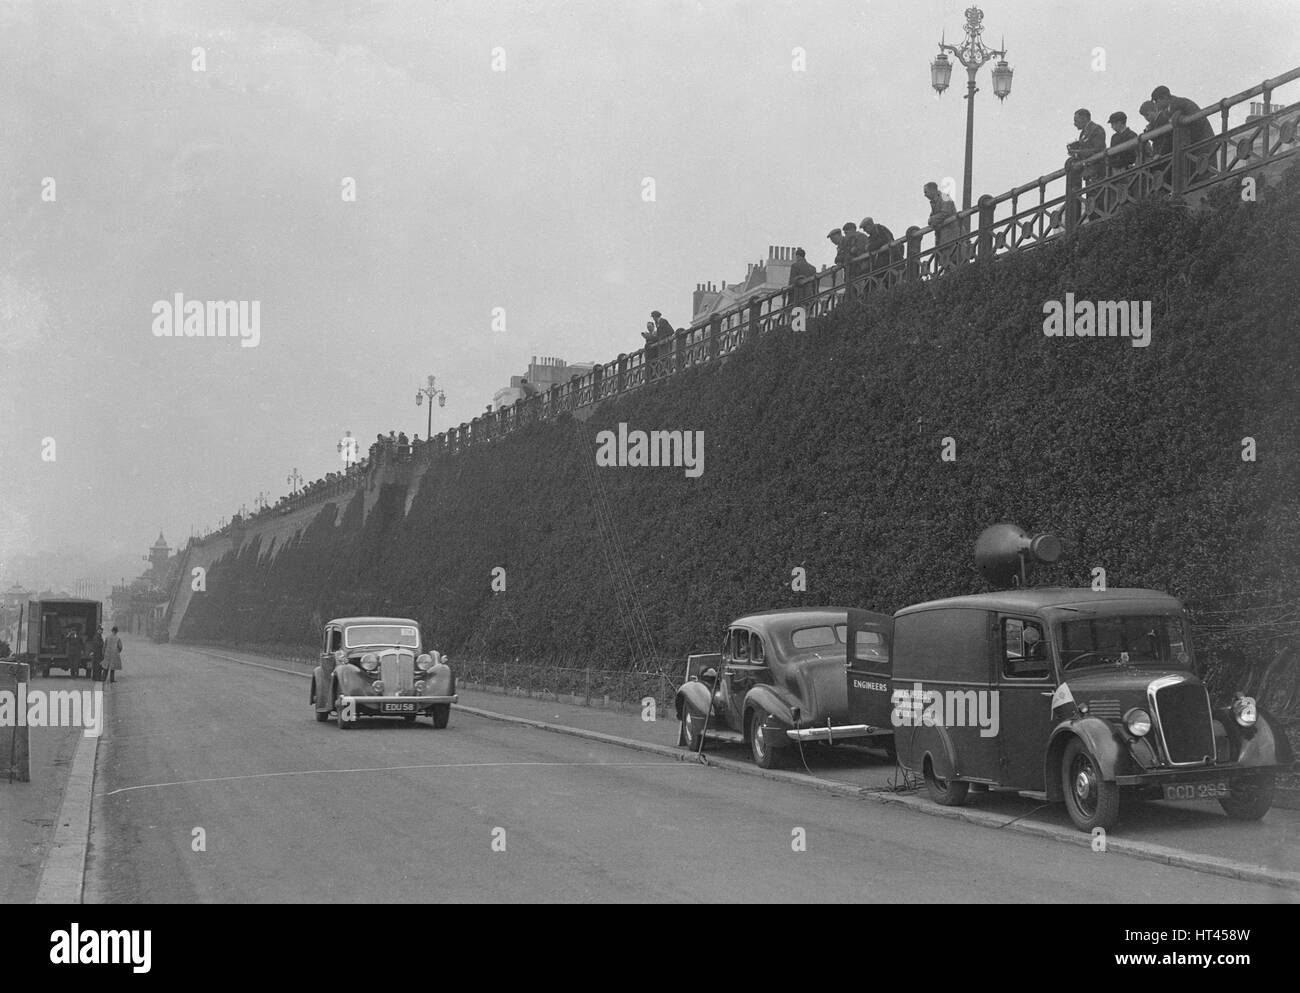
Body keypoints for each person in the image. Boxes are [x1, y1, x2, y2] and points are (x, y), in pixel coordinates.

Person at [1152, 85, 1217, 181]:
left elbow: (1171, 133)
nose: (1156, 105)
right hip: (1201, 144)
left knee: (1199, 175)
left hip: (1200, 144)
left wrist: (1160, 153)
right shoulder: (1177, 103)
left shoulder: (1176, 105)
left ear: (1164, 98)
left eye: (1156, 101)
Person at [923, 182, 960, 269]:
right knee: (946, 262)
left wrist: (932, 220)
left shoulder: (945, 197)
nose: (925, 195)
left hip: (952, 235)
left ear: (933, 190)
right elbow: (934, 216)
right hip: (943, 237)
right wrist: (932, 219)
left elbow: (945, 213)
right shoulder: (935, 201)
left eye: (926, 192)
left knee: (954, 259)